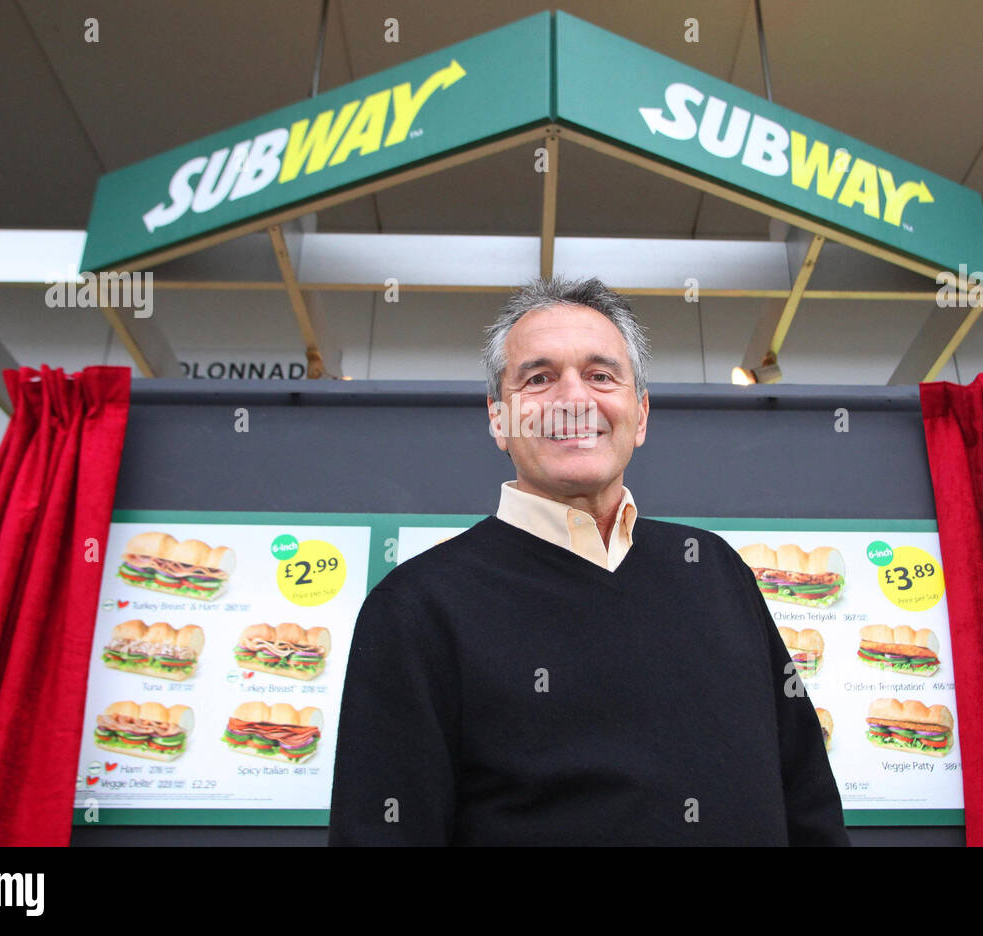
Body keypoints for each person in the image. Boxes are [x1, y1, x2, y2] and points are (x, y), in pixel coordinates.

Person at [328, 276, 849, 845]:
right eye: (539, 378)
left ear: (641, 415)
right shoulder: (416, 609)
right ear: (499, 420)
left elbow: (807, 794)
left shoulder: (716, 569)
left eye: (601, 376)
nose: (574, 400)